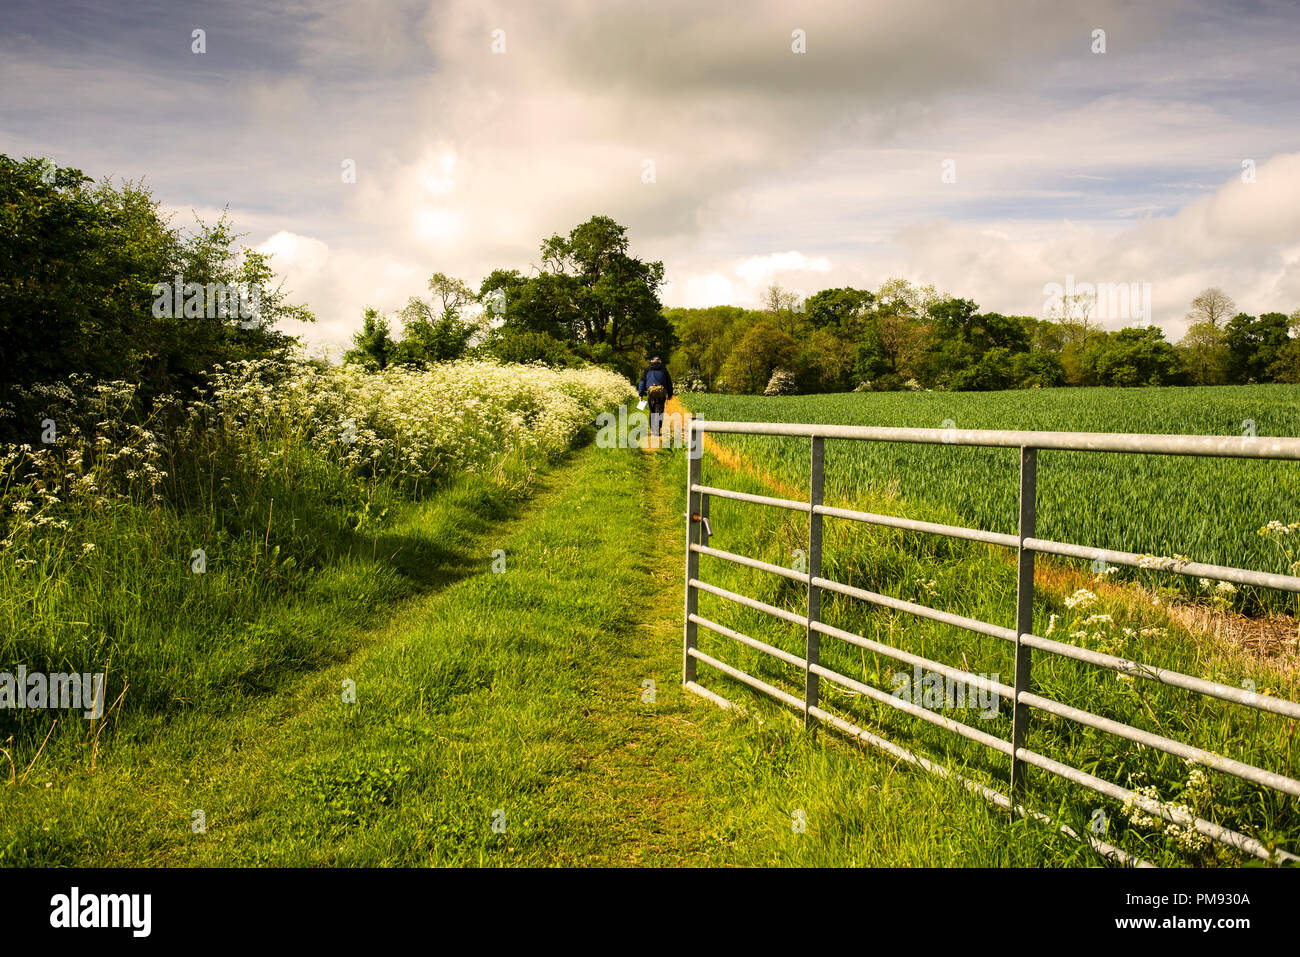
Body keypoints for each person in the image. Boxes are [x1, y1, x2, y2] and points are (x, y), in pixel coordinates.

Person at [637, 357, 673, 440]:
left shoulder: (647, 369)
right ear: (660, 362)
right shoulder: (664, 370)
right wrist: (670, 394)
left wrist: (641, 394)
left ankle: (653, 430)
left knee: (652, 411)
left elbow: (642, 382)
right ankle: (657, 430)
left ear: (651, 361)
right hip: (661, 393)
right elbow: (669, 382)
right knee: (659, 411)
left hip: (651, 393)